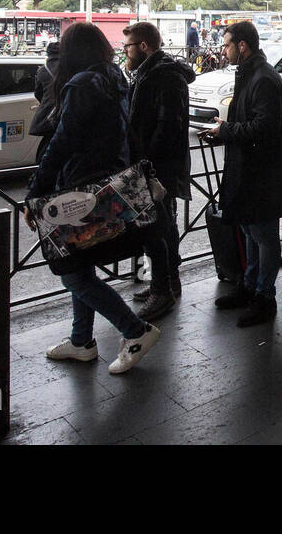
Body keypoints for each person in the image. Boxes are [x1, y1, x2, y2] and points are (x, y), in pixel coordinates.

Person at [29, 21, 161, 374]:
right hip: (107, 183)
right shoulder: (114, 78)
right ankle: (81, 340)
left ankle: (135, 331)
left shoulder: (81, 85)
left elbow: (62, 143)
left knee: (72, 272)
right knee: (80, 261)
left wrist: (35, 192)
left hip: (79, 187)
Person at [204, 22, 282, 326]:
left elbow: (264, 127)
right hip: (250, 171)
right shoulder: (252, 74)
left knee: (264, 236)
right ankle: (250, 286)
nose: (224, 49)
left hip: (262, 173)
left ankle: (264, 297)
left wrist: (225, 130)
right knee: (250, 231)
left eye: (227, 44)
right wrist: (224, 129)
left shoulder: (263, 78)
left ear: (242, 45)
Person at [122, 20, 196, 321]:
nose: (124, 52)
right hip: (156, 164)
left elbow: (168, 125)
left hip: (159, 165)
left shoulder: (163, 76)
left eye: (127, 47)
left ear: (143, 47)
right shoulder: (150, 72)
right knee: (163, 223)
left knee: (159, 225)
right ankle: (167, 282)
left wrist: (148, 161)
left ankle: (163, 289)